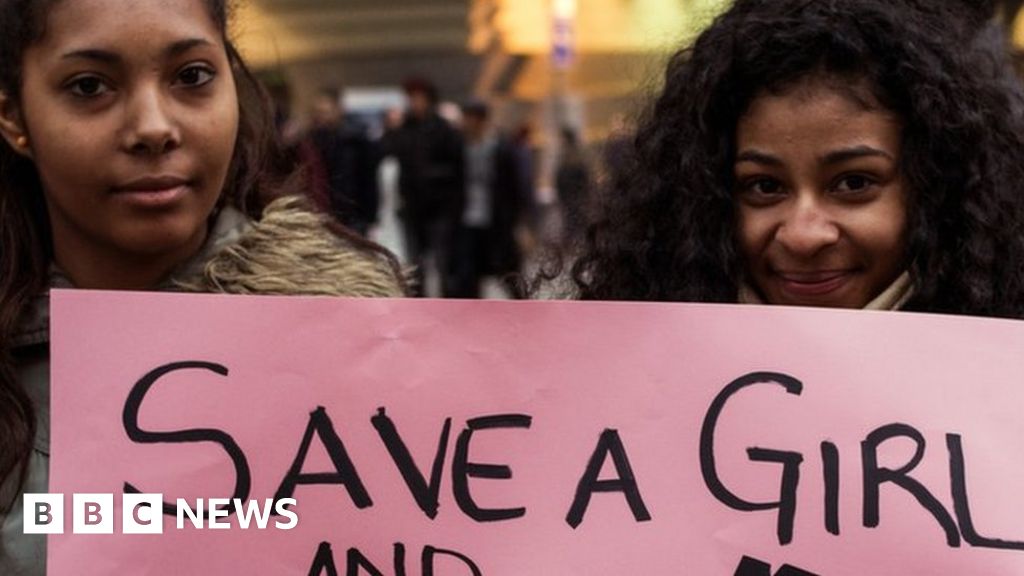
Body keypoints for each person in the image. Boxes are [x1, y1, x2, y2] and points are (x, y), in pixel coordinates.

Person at [0, 0, 406, 573]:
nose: (153, 128)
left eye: (191, 76)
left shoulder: (365, 345)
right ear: (15, 117)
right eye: (90, 86)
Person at [571, 0, 1024, 318]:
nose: (804, 236)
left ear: (937, 192)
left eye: (853, 183)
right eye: (765, 187)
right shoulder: (628, 387)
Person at [384, 77, 464, 296]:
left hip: (440, 208)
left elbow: (458, 170)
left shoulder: (444, 130)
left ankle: (448, 307)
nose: (415, 103)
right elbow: (388, 151)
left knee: (443, 263)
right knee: (415, 265)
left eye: (418, 98)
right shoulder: (405, 129)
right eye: (412, 98)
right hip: (413, 207)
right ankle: (420, 306)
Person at [450, 101, 528, 298]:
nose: (466, 124)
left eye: (470, 119)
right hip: (467, 220)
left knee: (507, 271)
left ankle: (523, 311)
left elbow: (515, 188)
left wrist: (520, 222)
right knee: (467, 276)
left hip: (497, 220)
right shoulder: (458, 148)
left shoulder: (502, 149)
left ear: (481, 121)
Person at [308, 86, 380, 236]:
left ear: (339, 109)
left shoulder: (357, 140)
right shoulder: (315, 140)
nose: (323, 117)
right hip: (327, 214)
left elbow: (369, 180)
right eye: (319, 112)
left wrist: (370, 217)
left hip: (354, 215)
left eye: (326, 112)